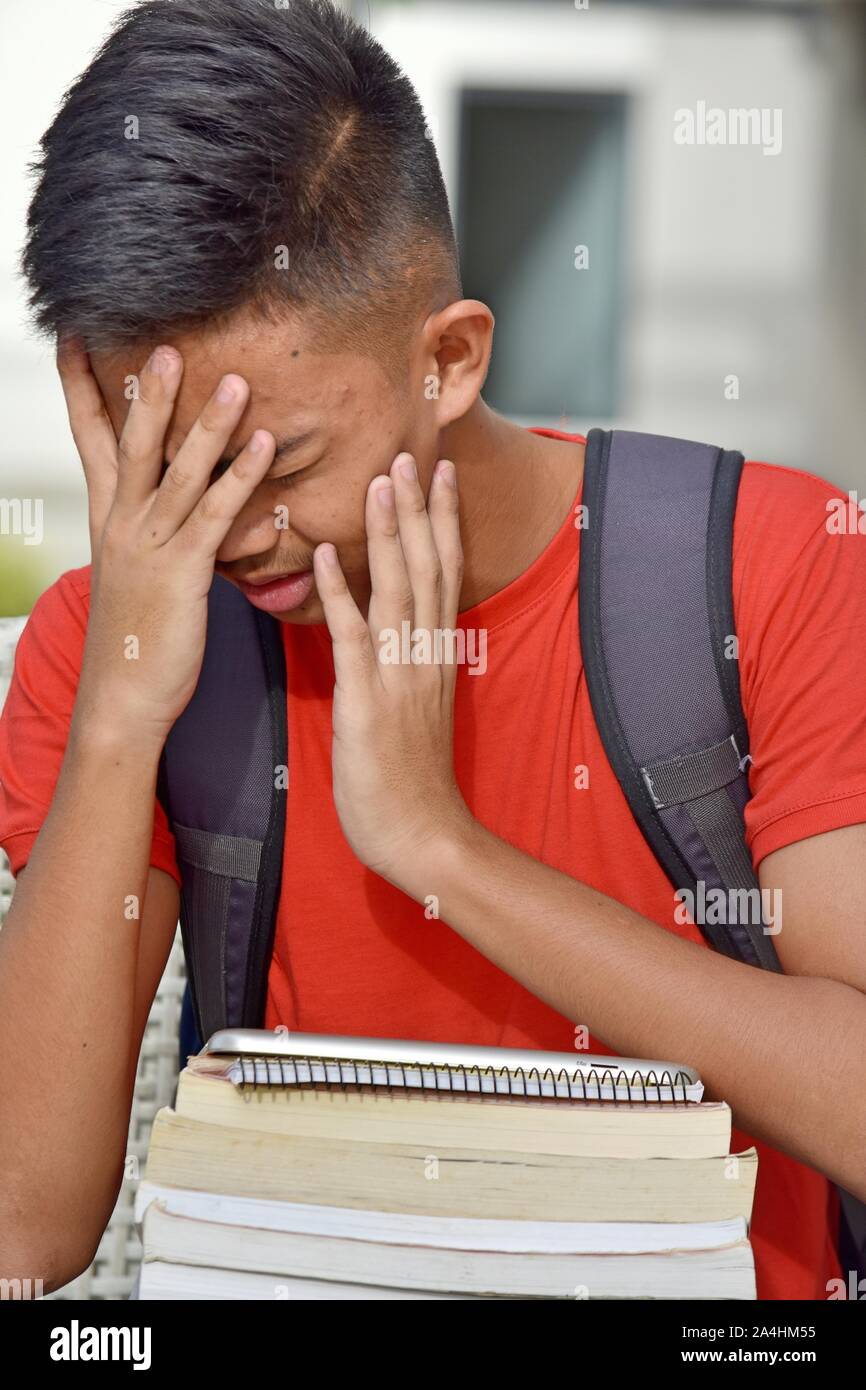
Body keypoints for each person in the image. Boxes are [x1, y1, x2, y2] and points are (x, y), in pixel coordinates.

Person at [1, 0, 864, 1301]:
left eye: (279, 464)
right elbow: (23, 1234)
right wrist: (120, 716)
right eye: (170, 469)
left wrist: (438, 846)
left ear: (449, 358)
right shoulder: (115, 643)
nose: (230, 534)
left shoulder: (773, 565)